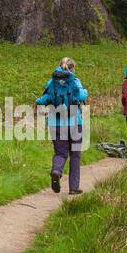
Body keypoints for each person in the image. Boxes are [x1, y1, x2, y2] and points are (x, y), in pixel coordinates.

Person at [36, 58, 89, 194]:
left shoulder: (51, 82)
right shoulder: (75, 82)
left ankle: (57, 170)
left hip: (56, 124)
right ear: (72, 69)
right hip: (74, 123)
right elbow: (82, 96)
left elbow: (44, 99)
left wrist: (37, 100)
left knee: (60, 152)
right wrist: (86, 91)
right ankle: (73, 188)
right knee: (75, 155)